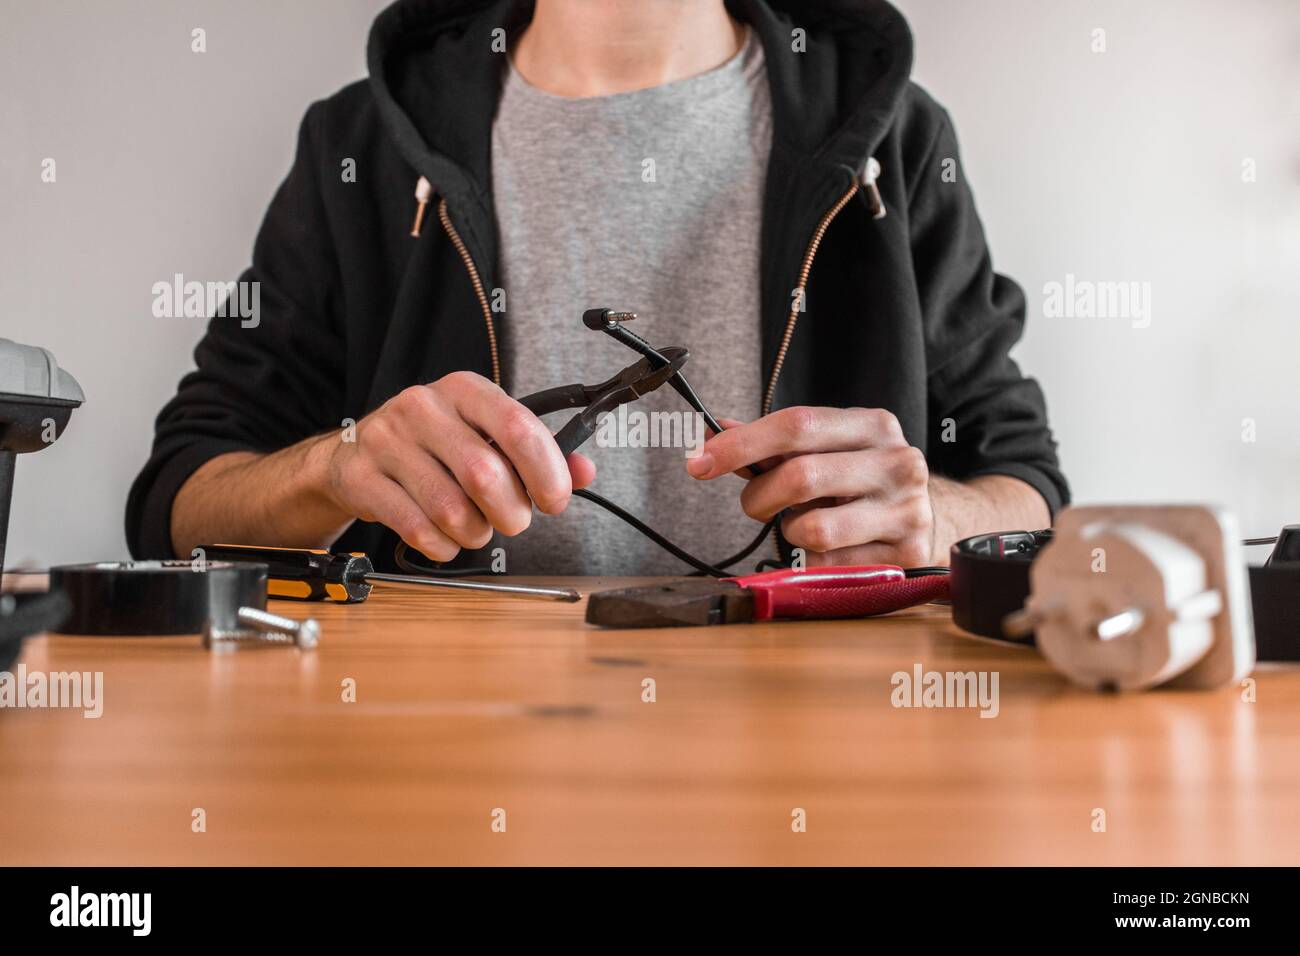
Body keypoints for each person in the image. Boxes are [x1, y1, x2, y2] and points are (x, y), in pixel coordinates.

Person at [127, 0, 1067, 575]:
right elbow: (178, 505)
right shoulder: (361, 144)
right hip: (434, 748)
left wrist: (938, 518)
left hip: (820, 745)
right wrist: (336, 467)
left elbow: (1030, 489)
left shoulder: (892, 139)